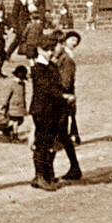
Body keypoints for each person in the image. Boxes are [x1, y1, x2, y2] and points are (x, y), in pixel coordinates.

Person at [28, 33, 65, 190]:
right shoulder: (37, 68)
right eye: (46, 49)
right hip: (42, 110)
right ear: (39, 50)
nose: (50, 52)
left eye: (52, 49)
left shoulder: (51, 66)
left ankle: (48, 175)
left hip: (52, 110)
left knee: (50, 143)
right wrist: (63, 95)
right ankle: (40, 176)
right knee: (42, 144)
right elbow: (46, 89)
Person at [53, 31, 82, 181]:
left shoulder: (66, 60)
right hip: (61, 100)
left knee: (56, 136)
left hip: (61, 102)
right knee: (62, 136)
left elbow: (66, 83)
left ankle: (46, 174)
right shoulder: (60, 57)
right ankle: (74, 167)